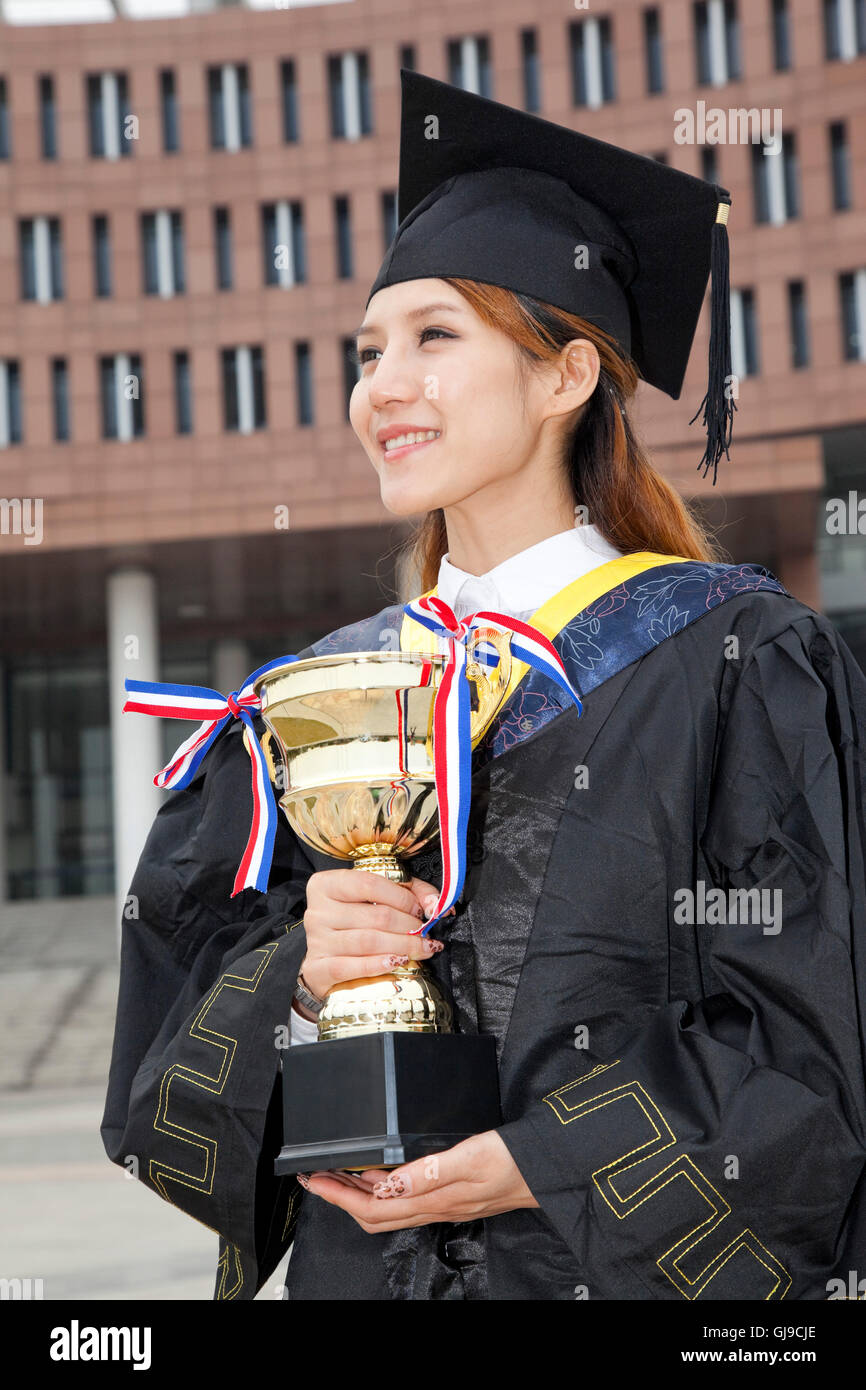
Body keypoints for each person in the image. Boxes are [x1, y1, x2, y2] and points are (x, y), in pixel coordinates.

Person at [102, 71, 866, 1301]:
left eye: (434, 338)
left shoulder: (730, 663)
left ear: (566, 376)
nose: (379, 389)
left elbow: (814, 1053)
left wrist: (537, 1160)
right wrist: (299, 973)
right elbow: (159, 1092)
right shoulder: (315, 705)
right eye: (367, 354)